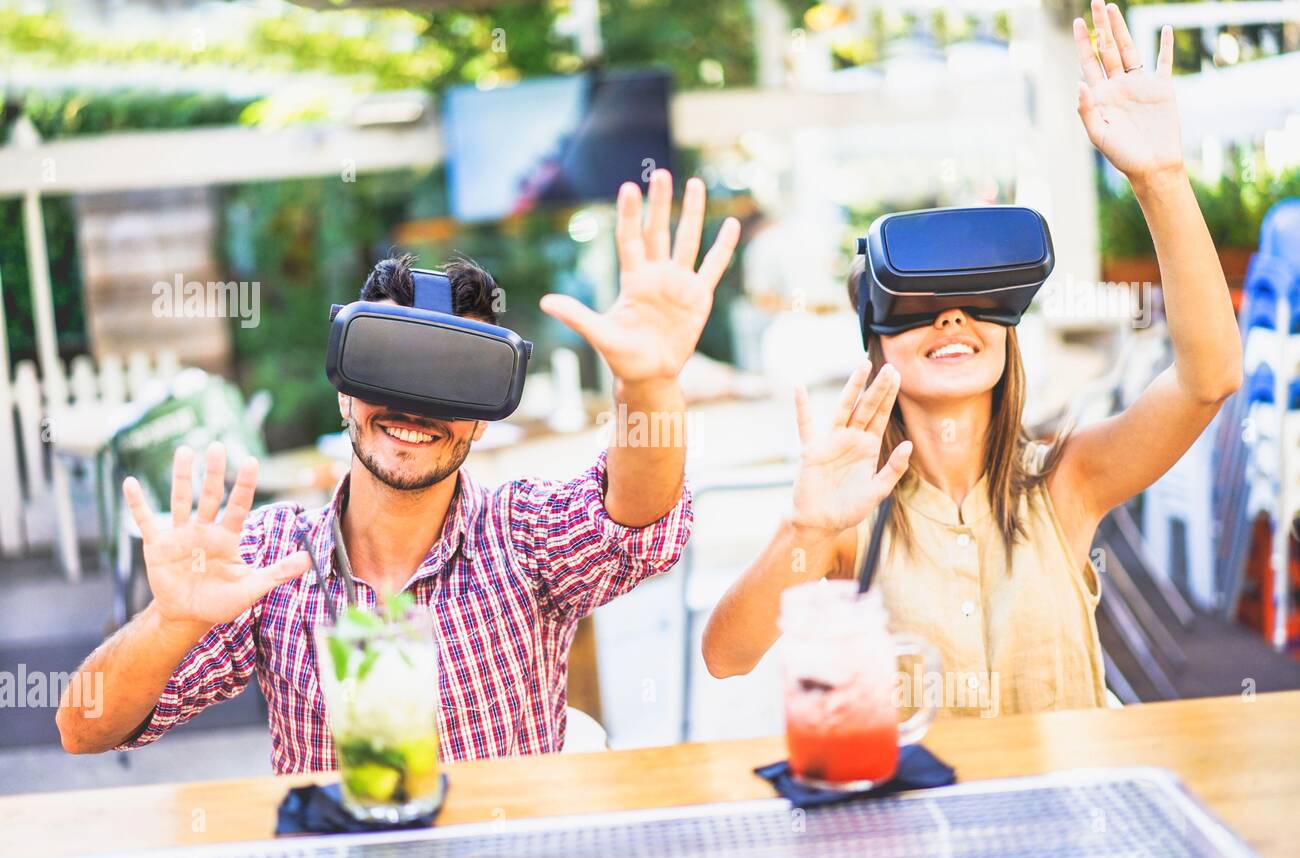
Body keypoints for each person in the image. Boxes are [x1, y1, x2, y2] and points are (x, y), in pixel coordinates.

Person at [57, 170, 740, 769]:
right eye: (389, 364)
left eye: (453, 378)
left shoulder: (523, 536)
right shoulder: (268, 563)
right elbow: (84, 730)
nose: (414, 406)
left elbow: (638, 522)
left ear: (480, 414)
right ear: (345, 386)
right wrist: (170, 620)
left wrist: (648, 385)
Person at [701, 2, 1243, 717]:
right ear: (876, 339)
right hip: (916, 826)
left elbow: (1211, 380)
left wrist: (1161, 180)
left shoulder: (1065, 486)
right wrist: (805, 530)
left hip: (1067, 818)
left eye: (977, 300)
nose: (952, 318)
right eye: (918, 303)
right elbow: (726, 657)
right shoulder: (850, 521)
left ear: (1009, 330)